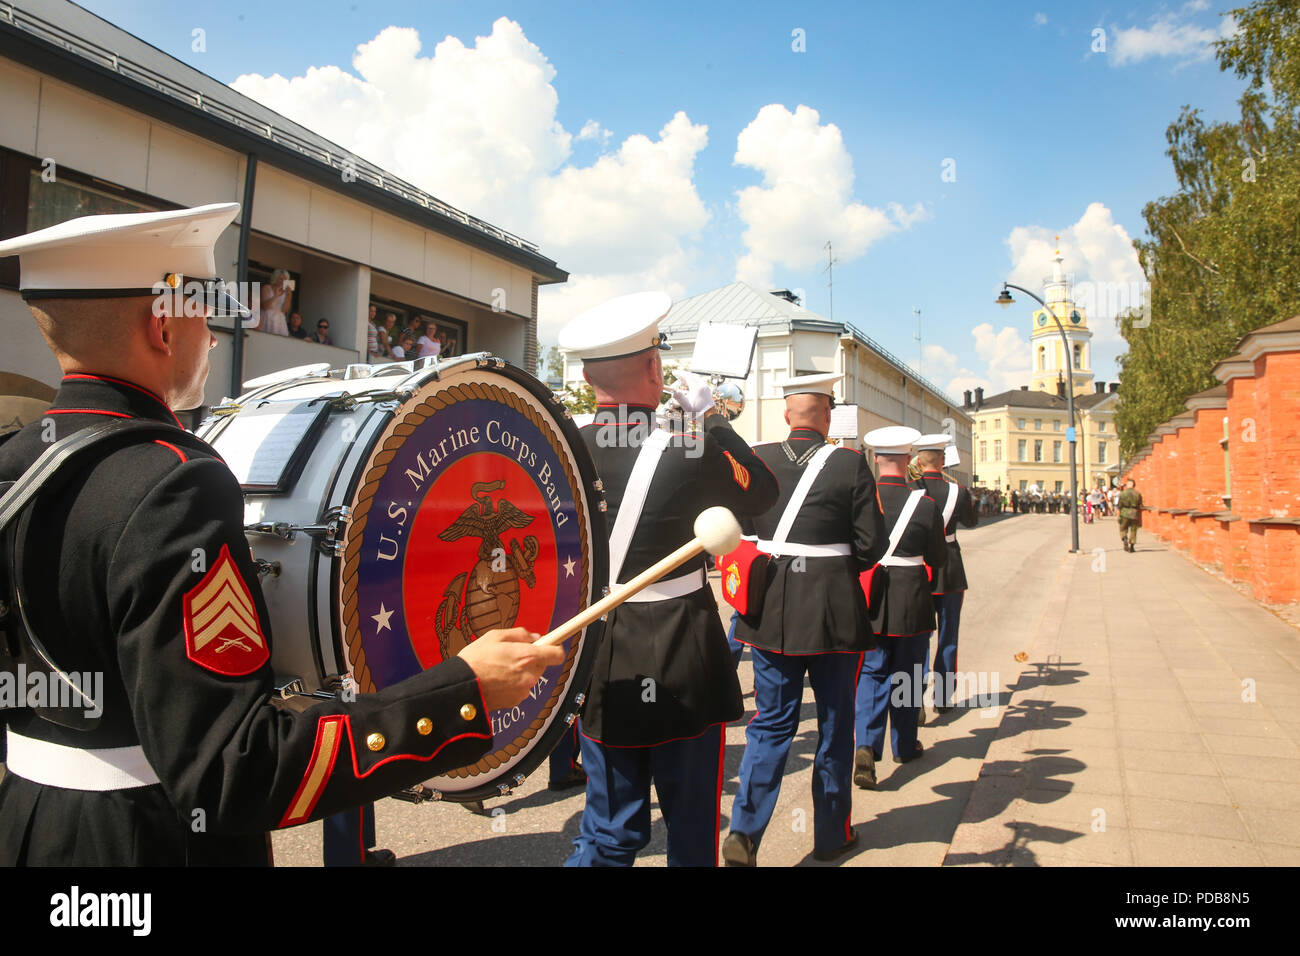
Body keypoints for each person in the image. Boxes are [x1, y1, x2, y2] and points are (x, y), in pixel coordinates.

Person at [0, 203, 564, 865]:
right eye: (203, 317)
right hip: (148, 842)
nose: (211, 338)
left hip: (30, 825)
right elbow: (233, 771)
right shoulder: (171, 483)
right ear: (161, 325)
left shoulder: (14, 461)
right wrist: (461, 691)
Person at [557, 291, 778, 866]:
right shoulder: (693, 442)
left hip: (599, 645)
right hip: (684, 649)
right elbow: (763, 493)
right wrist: (713, 421)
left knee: (609, 830)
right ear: (655, 369)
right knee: (692, 827)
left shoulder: (564, 444)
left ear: (586, 376)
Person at [722, 373, 886, 866]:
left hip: (771, 605)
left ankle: (745, 833)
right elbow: (871, 545)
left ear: (788, 413)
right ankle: (832, 836)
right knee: (836, 725)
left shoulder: (760, 458)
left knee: (770, 723)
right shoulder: (851, 464)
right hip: (834, 610)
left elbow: (740, 531)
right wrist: (832, 570)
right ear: (827, 416)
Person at [854, 426, 947, 780]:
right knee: (907, 675)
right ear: (908, 460)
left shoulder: (861, 499)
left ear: (876, 460)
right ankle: (905, 746)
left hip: (870, 596)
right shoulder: (925, 504)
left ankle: (866, 744)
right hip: (911, 595)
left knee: (872, 672)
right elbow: (937, 558)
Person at [910, 435, 977, 713]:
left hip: (918, 567)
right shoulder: (958, 491)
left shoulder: (911, 488)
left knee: (917, 640)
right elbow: (972, 522)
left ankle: (914, 703)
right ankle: (943, 697)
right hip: (948, 567)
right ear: (943, 460)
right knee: (948, 636)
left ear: (918, 460)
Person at [257, 268, 291, 336]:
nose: (283, 281)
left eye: (285, 279)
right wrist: (275, 296)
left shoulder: (287, 292)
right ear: (275, 278)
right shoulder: (267, 288)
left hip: (279, 319)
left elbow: (284, 310)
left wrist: (288, 295)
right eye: (281, 279)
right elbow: (264, 306)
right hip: (267, 316)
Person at [1118, 478, 1143, 552]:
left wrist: (1120, 511)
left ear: (1128, 485)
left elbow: (1120, 505)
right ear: (1134, 485)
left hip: (1124, 512)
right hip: (1134, 513)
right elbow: (1140, 504)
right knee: (1133, 529)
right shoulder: (1138, 494)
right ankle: (1132, 546)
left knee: (1123, 528)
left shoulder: (1123, 493)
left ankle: (1124, 537)